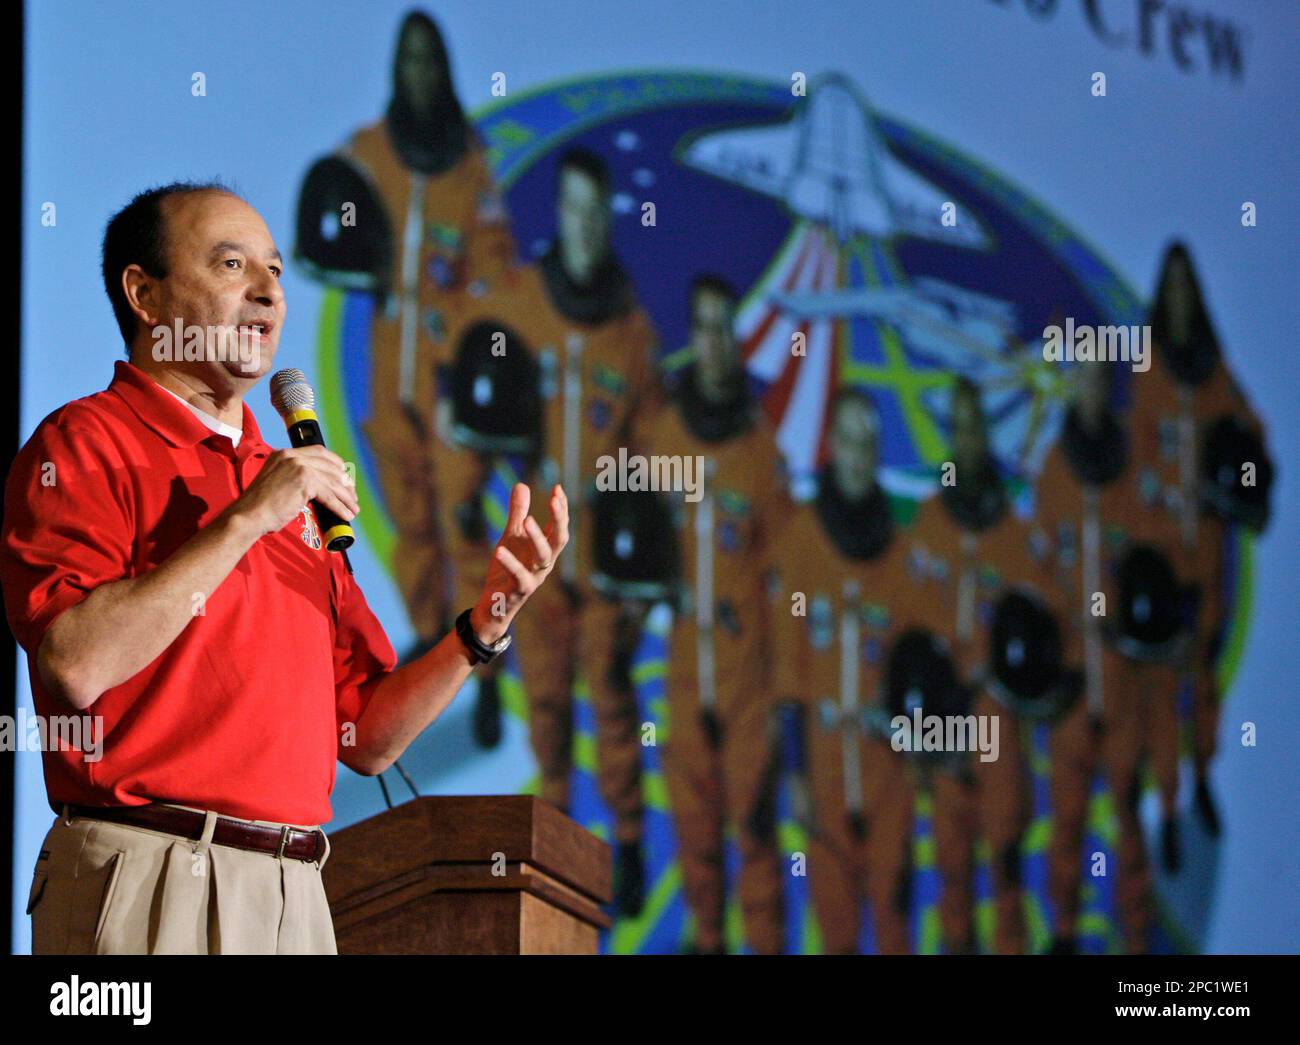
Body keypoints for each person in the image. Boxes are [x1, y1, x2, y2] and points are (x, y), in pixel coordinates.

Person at [2, 183, 567, 954]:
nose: (269, 292)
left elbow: (365, 734)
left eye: (274, 270)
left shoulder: (289, 480)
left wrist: (481, 628)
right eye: (232, 265)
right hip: (149, 874)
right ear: (144, 293)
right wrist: (246, 519)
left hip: (296, 892)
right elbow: (75, 662)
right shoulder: (85, 444)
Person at [422, 147, 661, 912]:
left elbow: (655, 461)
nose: (585, 226)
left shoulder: (632, 335)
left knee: (615, 706)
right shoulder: (518, 305)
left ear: (609, 220)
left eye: (599, 212)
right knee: (550, 708)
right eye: (573, 209)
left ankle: (624, 842)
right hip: (539, 557)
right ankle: (556, 878)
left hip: (608, 561)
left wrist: (653, 572)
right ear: (558, 214)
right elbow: (470, 397)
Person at [294, 10, 516, 647]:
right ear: (397, 68)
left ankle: (487, 655)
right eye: (409, 59)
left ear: (444, 70)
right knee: (411, 521)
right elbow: (330, 219)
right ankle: (430, 640)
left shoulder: (471, 170)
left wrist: (463, 353)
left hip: (449, 377)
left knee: (460, 518)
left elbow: (496, 278)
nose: (420, 71)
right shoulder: (367, 154)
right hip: (389, 371)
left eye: (430, 59)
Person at [639, 276, 788, 953]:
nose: (715, 341)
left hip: (744, 674)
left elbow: (787, 582)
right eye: (703, 327)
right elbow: (631, 536)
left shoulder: (761, 453)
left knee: (755, 831)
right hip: (681, 667)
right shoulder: (663, 435)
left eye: (726, 328)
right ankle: (706, 939)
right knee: (694, 826)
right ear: (692, 338)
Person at [1128, 242, 1272, 870]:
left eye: (1191, 289)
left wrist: (1241, 482)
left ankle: (1204, 776)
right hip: (1160, 564)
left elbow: (1252, 440)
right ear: (1164, 296)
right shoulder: (1145, 370)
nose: (1182, 300)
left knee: (1201, 684)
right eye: (1173, 288)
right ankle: (1165, 808)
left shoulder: (1215, 374)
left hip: (1206, 557)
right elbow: (1130, 463)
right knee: (1161, 693)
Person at [906, 377, 1049, 954]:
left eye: (976, 426)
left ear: (987, 433)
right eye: (957, 427)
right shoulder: (928, 525)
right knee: (952, 864)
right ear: (950, 436)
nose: (967, 438)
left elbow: (1042, 633)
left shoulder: (1013, 534)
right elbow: (908, 634)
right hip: (943, 716)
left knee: (1006, 855)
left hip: (995, 721)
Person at [772, 390, 917, 954]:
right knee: (834, 929)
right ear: (832, 445)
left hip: (887, 774)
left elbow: (923, 665)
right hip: (826, 770)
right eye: (850, 440)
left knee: (893, 923)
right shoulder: (802, 545)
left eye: (870, 443)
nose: (859, 455)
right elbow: (788, 669)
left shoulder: (901, 550)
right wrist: (796, 772)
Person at [1034, 356, 1149, 953]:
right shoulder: (1053, 474)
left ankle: (1136, 942)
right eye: (1084, 377)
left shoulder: (1134, 468)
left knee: (1128, 816)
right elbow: (1037, 577)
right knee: (1068, 819)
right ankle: (1063, 931)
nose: (1093, 390)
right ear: (1071, 385)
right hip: (1073, 681)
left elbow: (1153, 565)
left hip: (1124, 678)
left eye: (1103, 378)